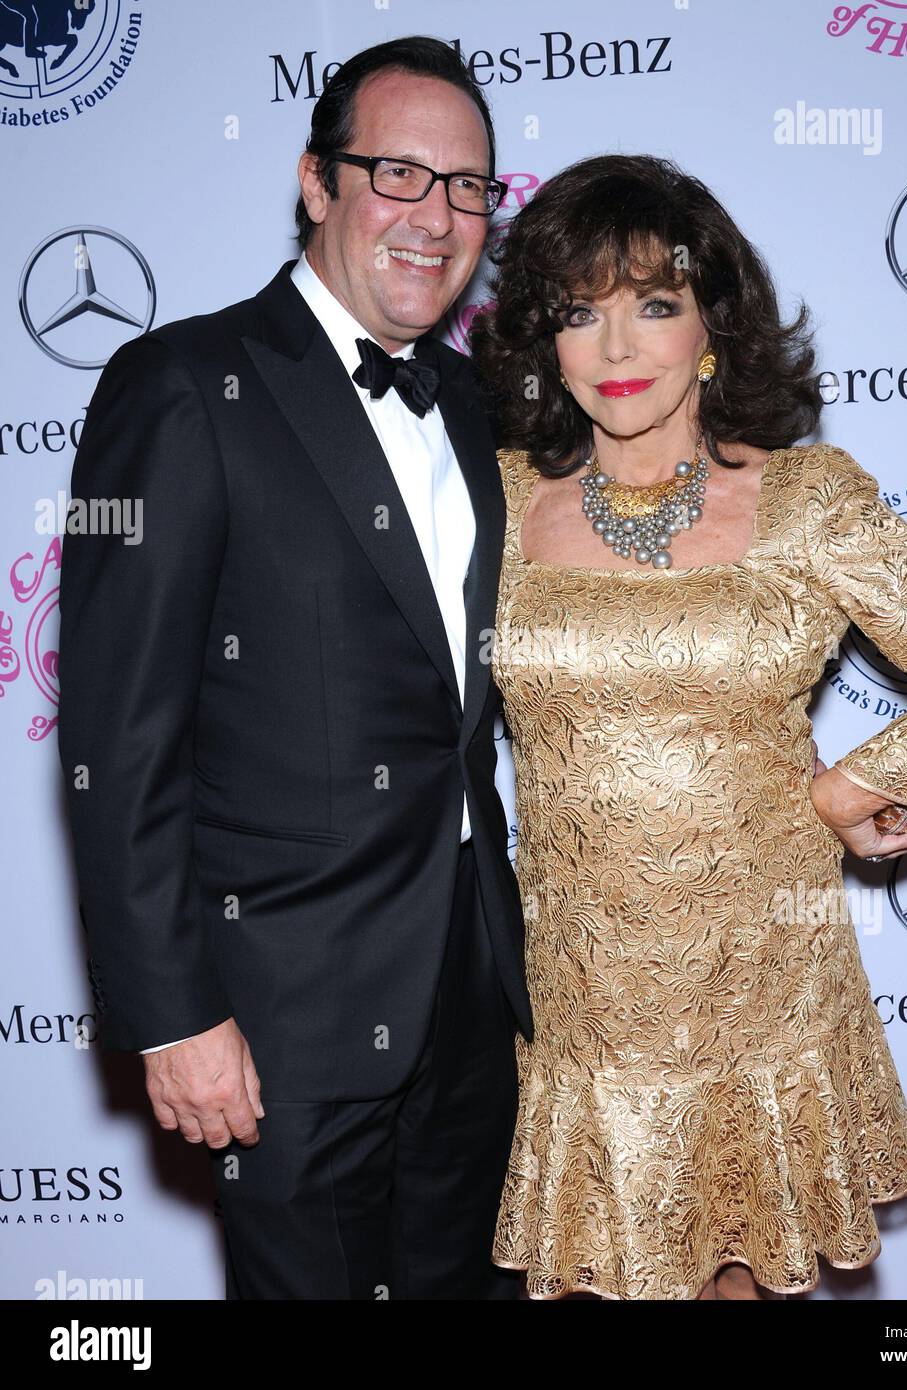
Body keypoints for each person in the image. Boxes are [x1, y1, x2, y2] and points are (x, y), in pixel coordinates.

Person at [469, 152, 907, 1300]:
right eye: (580, 314)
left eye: (656, 304)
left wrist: (859, 783)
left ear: (713, 323)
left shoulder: (807, 498)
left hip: (760, 990)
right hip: (579, 1002)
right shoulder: (489, 500)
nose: (618, 348)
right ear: (544, 342)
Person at [57, 36, 532, 1300]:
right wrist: (172, 1012)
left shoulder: (479, 410)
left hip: (472, 1011)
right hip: (280, 1025)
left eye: (469, 185)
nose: (437, 218)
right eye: (398, 174)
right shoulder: (179, 387)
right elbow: (118, 737)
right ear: (317, 182)